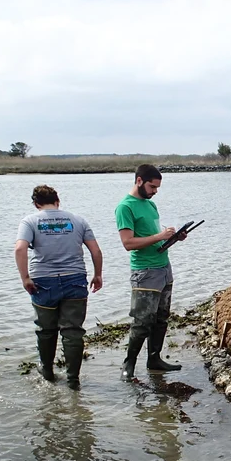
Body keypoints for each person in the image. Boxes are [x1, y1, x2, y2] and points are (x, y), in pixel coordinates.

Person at [15, 185, 103, 389]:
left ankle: (47, 371)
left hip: (43, 281)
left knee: (46, 330)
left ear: (36, 204)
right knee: (73, 331)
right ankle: (73, 379)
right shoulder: (78, 220)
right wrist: (98, 274)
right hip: (75, 279)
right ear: (58, 201)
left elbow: (20, 248)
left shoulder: (30, 221)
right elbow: (96, 251)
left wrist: (25, 278)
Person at [116, 164, 184, 380]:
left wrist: (172, 238)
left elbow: (155, 239)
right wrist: (160, 236)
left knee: (161, 318)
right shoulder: (125, 207)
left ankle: (154, 359)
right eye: (152, 187)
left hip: (163, 267)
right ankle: (129, 365)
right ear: (139, 181)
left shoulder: (150, 205)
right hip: (144, 271)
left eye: (157, 188)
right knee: (142, 321)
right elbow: (128, 243)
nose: (155, 191)